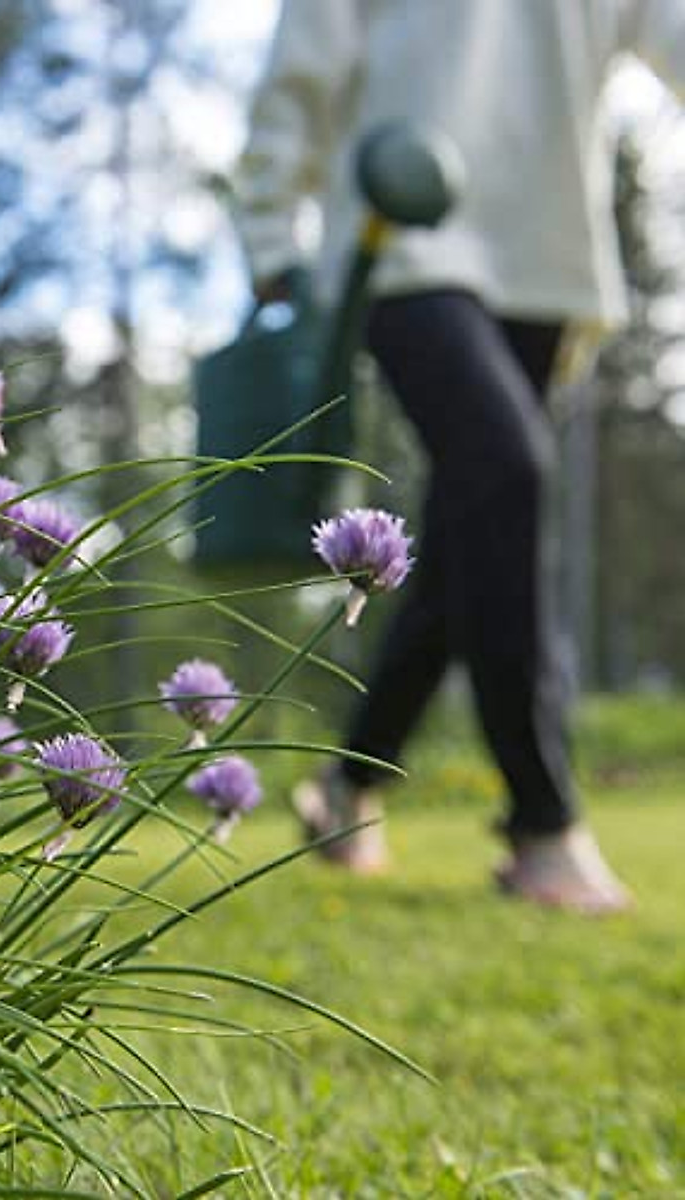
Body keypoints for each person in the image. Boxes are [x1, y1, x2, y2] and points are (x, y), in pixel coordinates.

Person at [234, 1, 685, 913]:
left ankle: (347, 784)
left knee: (465, 543)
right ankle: (541, 818)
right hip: (400, 231)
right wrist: (270, 230)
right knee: (507, 471)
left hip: (549, 261)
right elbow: (301, 68)